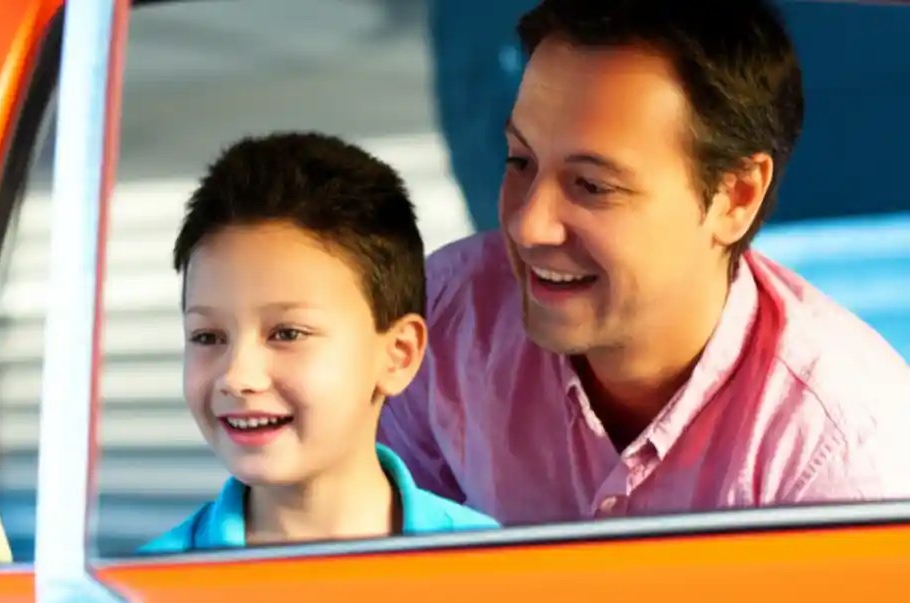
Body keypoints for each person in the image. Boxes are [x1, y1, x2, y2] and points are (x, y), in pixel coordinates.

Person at [379, 0, 910, 525]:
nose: (528, 225)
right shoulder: (442, 324)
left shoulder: (844, 464)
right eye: (520, 161)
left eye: (592, 185)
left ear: (736, 198)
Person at [140, 132, 499, 553]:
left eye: (287, 333)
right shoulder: (147, 583)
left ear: (398, 355)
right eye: (207, 337)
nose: (237, 377)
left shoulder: (488, 563)